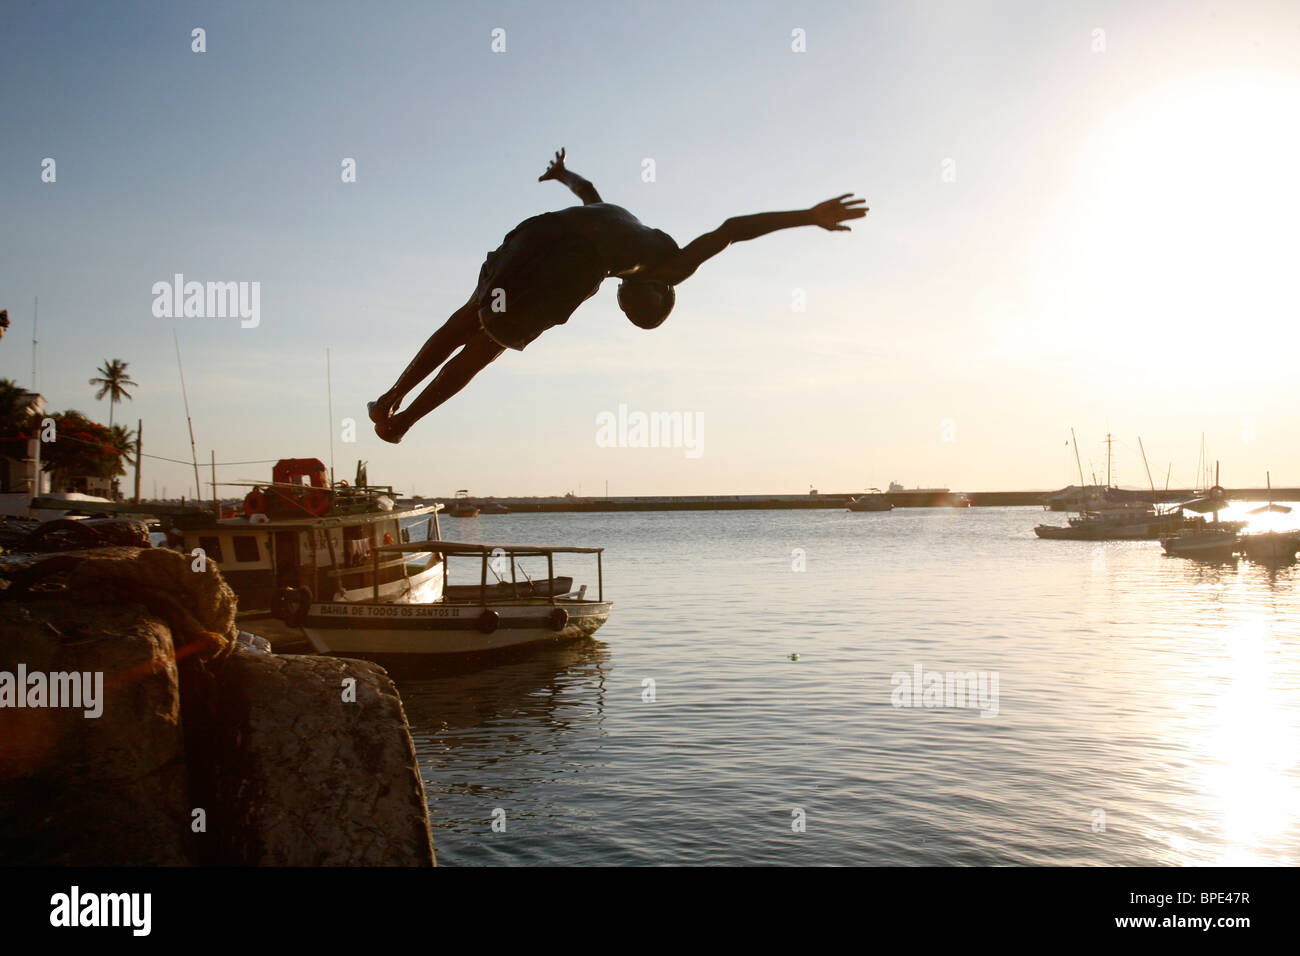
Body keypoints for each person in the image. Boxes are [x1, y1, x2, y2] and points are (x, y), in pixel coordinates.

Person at [369, 148, 867, 443]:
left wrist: (561, 173)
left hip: (532, 237)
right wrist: (808, 215)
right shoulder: (671, 265)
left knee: (469, 318)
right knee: (485, 344)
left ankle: (389, 399)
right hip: (567, 264)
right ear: (660, 291)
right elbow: (733, 229)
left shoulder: (617, 215)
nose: (623, 301)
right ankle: (404, 420)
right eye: (634, 307)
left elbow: (586, 189)